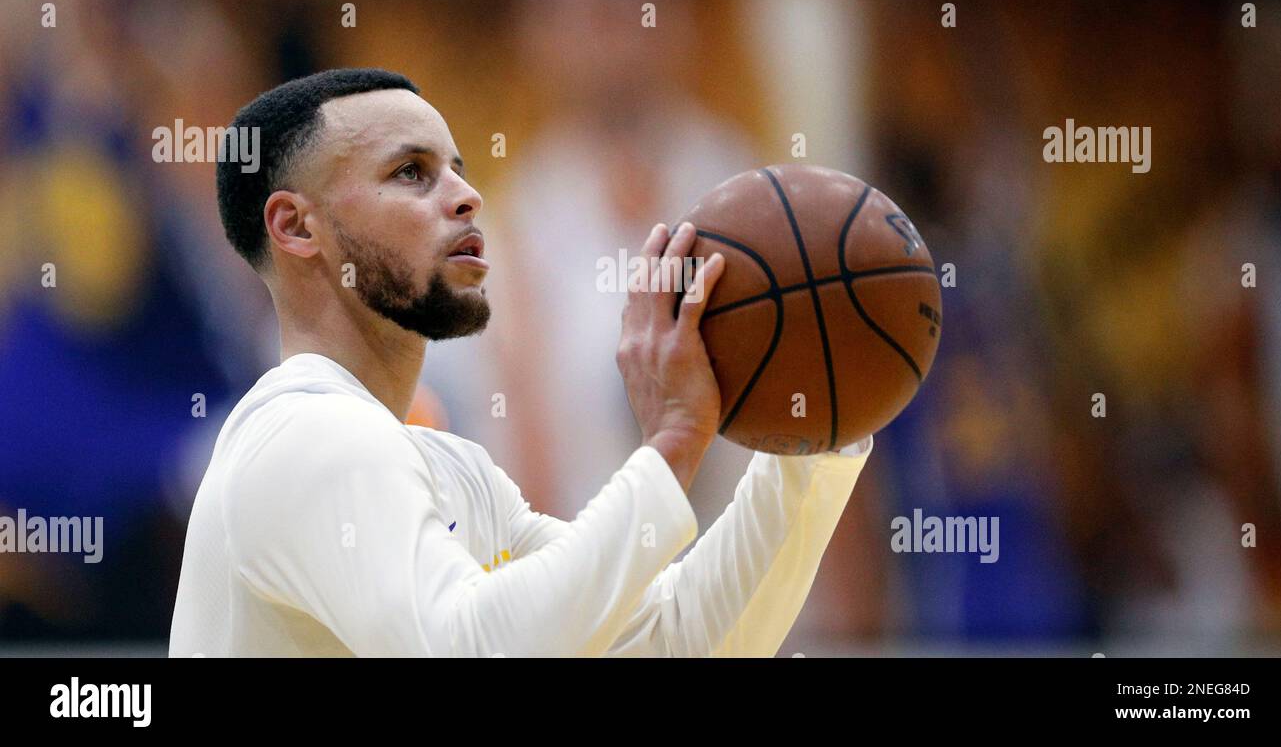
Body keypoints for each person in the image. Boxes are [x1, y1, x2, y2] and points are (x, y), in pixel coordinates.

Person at [168, 68, 872, 657]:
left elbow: (675, 640)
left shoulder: (457, 474)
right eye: (411, 172)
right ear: (296, 227)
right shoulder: (305, 434)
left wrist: (809, 432)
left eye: (458, 170)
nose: (467, 196)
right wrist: (675, 441)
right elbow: (473, 650)